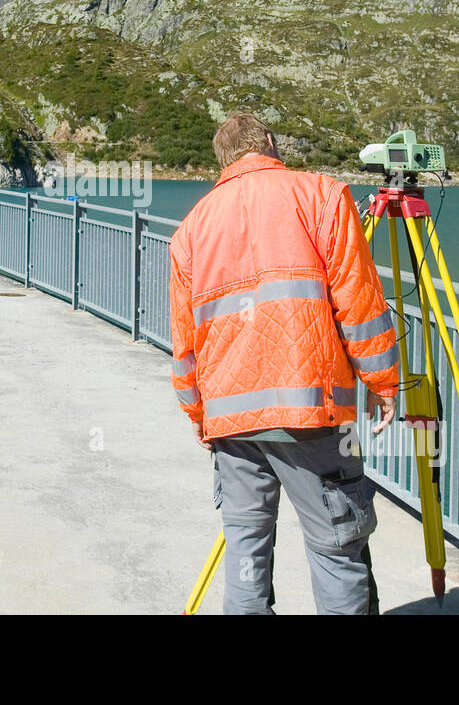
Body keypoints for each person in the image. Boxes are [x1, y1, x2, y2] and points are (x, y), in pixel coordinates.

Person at [168, 113, 400, 615]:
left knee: (246, 555)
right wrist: (383, 381)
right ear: (270, 144)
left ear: (223, 160)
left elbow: (183, 343)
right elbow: (358, 304)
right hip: (310, 416)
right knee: (336, 549)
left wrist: (198, 415)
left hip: (231, 421)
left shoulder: (191, 229)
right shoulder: (323, 196)